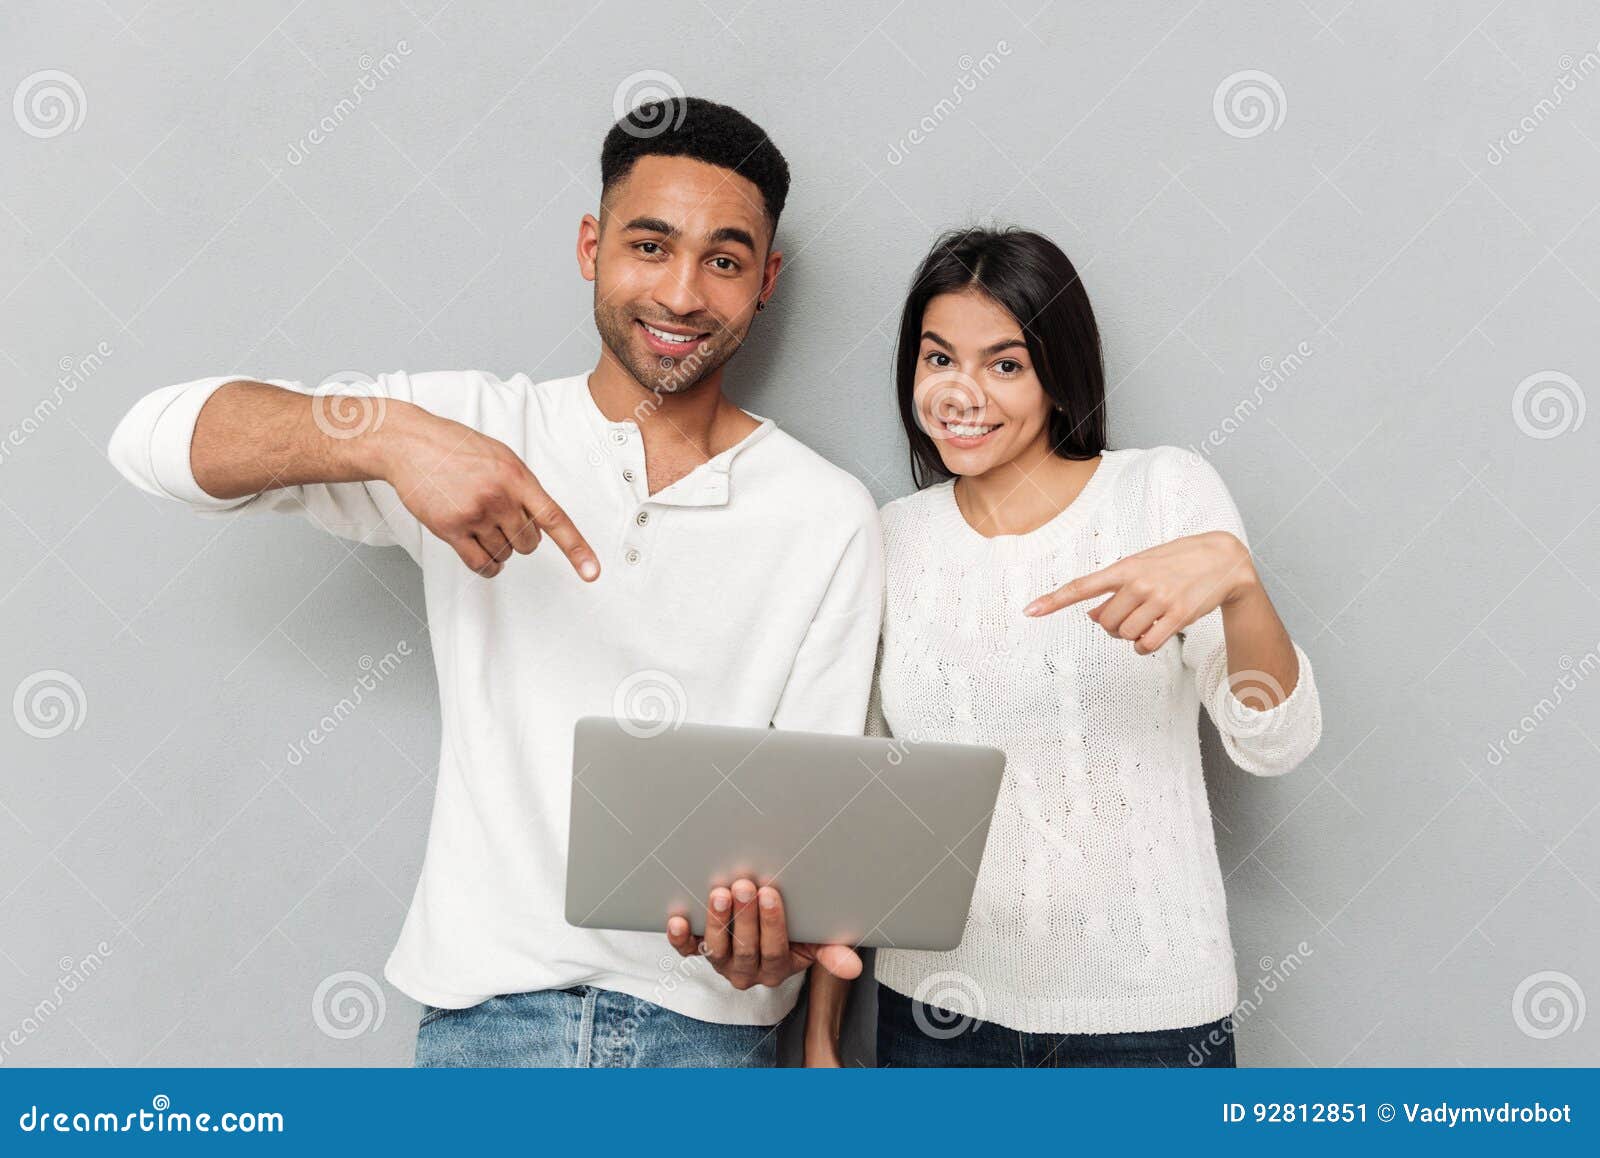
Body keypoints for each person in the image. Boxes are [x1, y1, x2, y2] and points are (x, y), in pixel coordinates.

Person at [106, 97, 882, 1068]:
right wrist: (391, 438)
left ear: (763, 281)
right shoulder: (471, 429)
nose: (682, 295)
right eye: (650, 246)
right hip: (490, 1025)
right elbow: (152, 440)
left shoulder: (827, 515)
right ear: (590, 246)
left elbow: (811, 840)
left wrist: (761, 944)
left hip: (712, 1045)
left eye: (722, 261)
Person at [803, 226, 1324, 1067]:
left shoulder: (1161, 493)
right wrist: (822, 1033)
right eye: (939, 359)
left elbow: (1273, 740)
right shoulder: (892, 539)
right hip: (935, 1019)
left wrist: (1240, 583)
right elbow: (861, 798)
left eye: (1005, 364)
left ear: (1057, 374)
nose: (960, 392)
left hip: (1145, 1025)